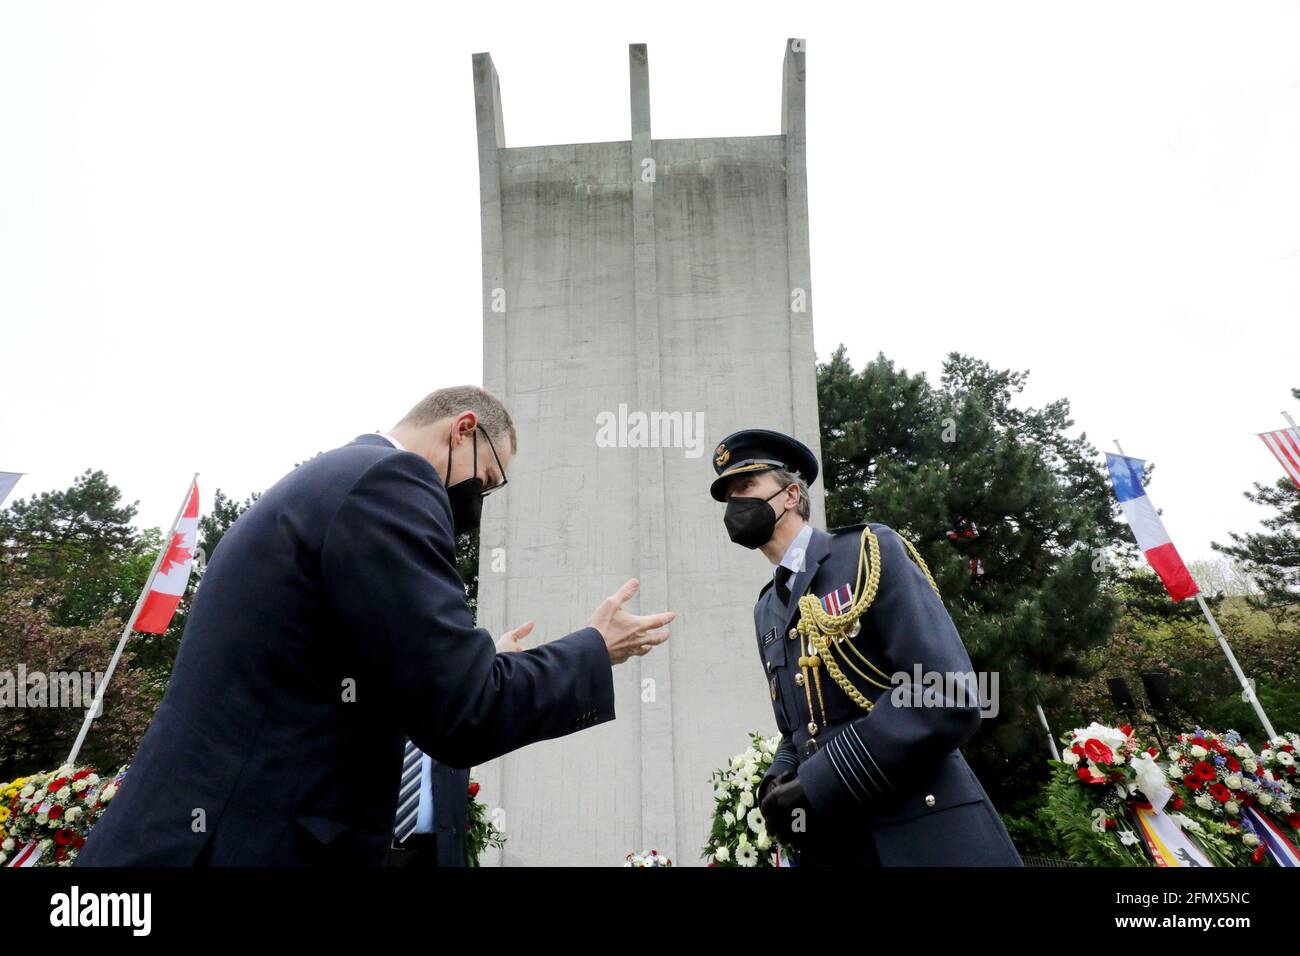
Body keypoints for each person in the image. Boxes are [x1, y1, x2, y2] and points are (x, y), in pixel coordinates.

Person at [78, 385, 673, 866]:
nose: (479, 501)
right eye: (488, 480)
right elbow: (463, 712)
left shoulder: (340, 479)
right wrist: (596, 648)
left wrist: (483, 656)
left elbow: (345, 665)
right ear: (463, 429)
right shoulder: (392, 484)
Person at [710, 428, 1021, 866]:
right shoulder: (766, 610)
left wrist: (820, 780)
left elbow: (945, 692)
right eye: (728, 496)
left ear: (791, 495)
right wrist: (778, 778)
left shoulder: (865, 552)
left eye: (747, 486)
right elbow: (798, 729)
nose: (736, 505)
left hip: (920, 833)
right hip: (833, 844)